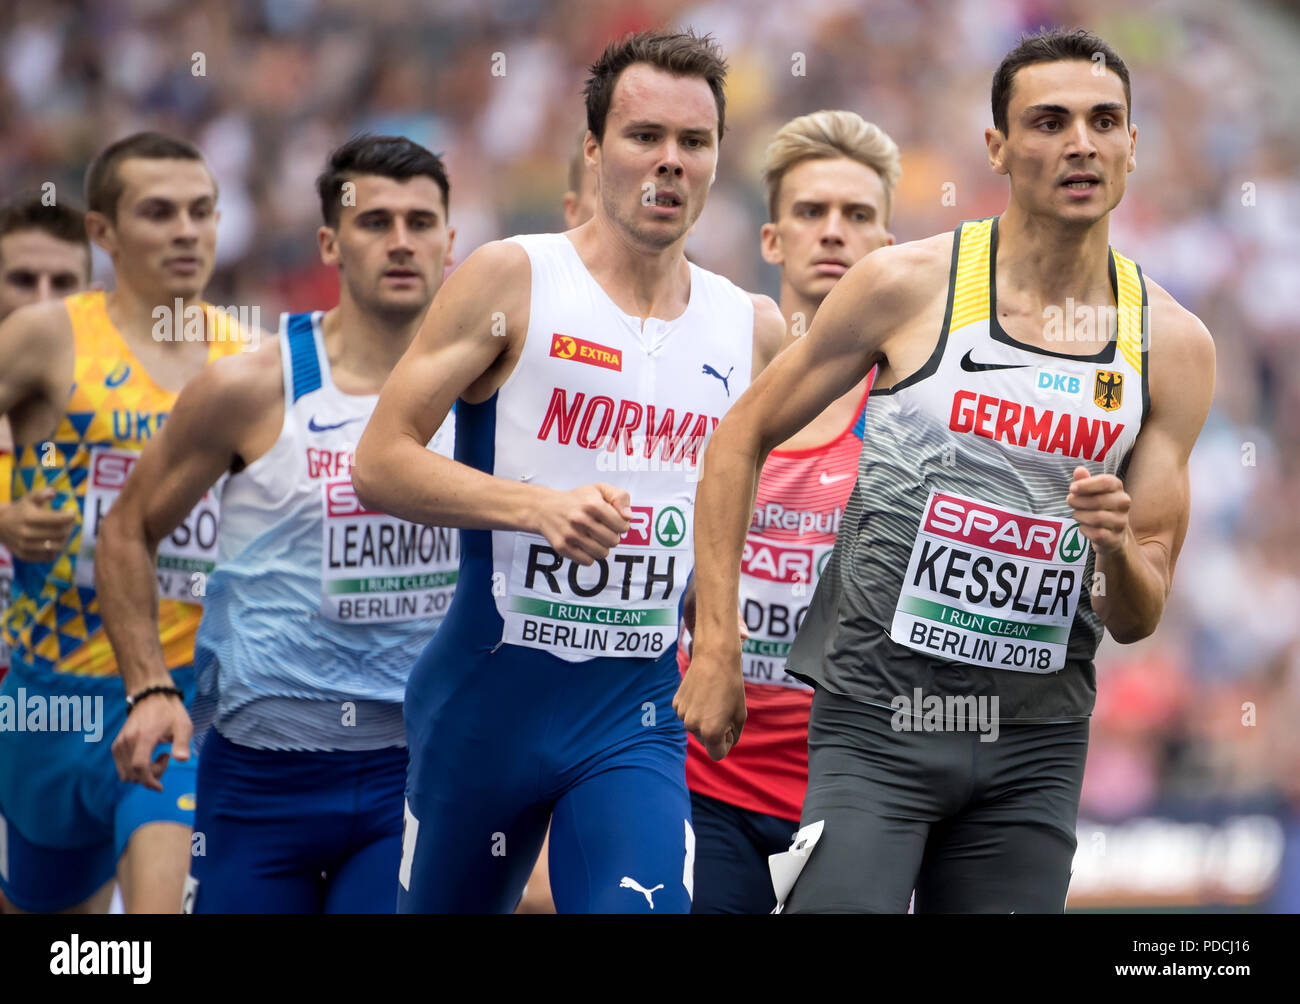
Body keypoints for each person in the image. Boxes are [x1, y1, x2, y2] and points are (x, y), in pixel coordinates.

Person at [679, 27, 1215, 914]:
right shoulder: (908, 285)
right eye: (1048, 121)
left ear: (1133, 144)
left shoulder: (1174, 345)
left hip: (1032, 745)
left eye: (1103, 121)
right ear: (998, 147)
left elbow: (1138, 614)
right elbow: (739, 437)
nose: (1080, 143)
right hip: (877, 724)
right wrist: (720, 642)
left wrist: (1116, 549)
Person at [353, 28, 784, 914]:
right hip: (485, 704)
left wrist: (722, 641)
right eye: (643, 137)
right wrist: (535, 509)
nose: (669, 163)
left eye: (693, 143)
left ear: (715, 159)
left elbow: (724, 517)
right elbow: (380, 463)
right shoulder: (514, 278)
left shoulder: (751, 329)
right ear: (593, 151)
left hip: (631, 715)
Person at [98, 135, 457, 913]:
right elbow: (125, 529)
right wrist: (148, 686)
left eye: (422, 223)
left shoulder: (489, 394)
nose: (401, 241)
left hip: (415, 771)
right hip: (259, 777)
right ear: (329, 242)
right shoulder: (251, 385)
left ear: (451, 241)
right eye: (375, 222)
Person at [0, 132, 252, 914]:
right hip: (45, 696)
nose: (186, 230)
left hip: (180, 701)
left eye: (201, 211)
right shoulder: (49, 337)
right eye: (158, 212)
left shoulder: (252, 359)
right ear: (102, 232)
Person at [682, 110, 900, 914]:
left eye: (857, 216)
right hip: (707, 777)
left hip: (859, 793)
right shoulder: (710, 386)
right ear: (773, 240)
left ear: (887, 247)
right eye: (811, 212)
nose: (833, 232)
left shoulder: (917, 413)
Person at [0, 192, 94, 914]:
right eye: (21, 279)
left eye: (63, 284)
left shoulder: (108, 429)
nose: (41, 301)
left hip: (59, 720)